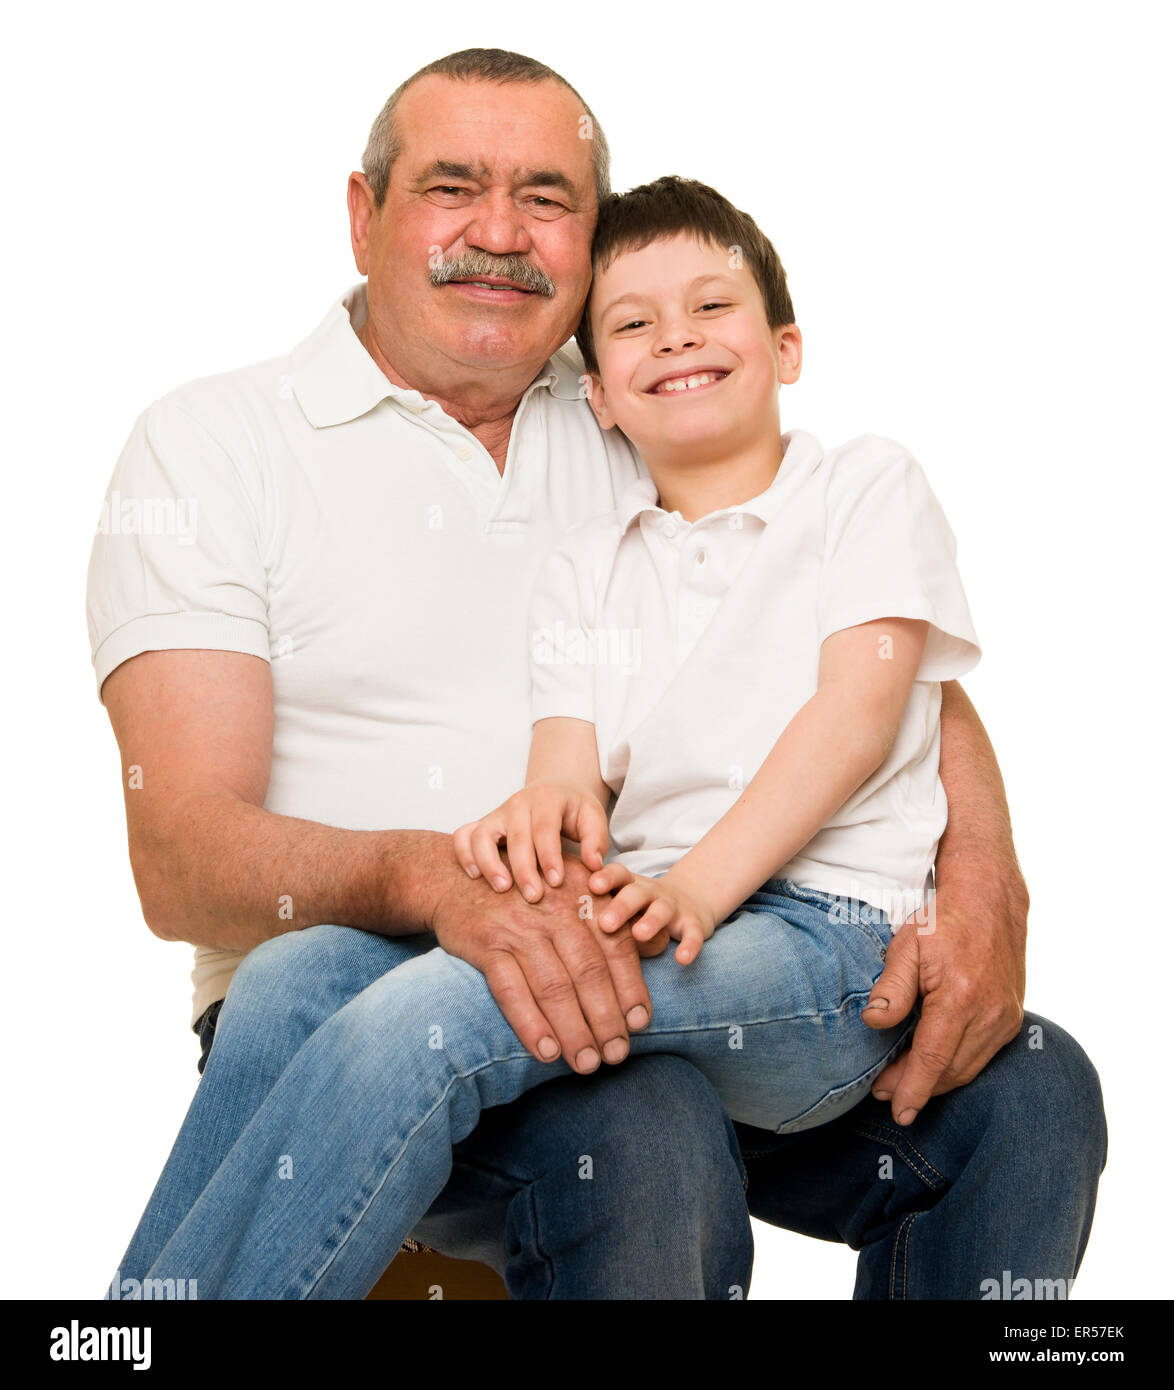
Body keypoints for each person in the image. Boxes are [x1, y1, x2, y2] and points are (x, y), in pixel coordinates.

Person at [90, 48, 1106, 1300]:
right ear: (364, 217)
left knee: (1034, 1086)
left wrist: (979, 875)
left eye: (549, 198)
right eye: (451, 187)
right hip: (365, 991)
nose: (500, 234)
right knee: (627, 1118)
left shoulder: (632, 403)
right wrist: (434, 880)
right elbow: (181, 858)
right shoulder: (214, 443)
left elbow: (874, 659)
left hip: (663, 951)